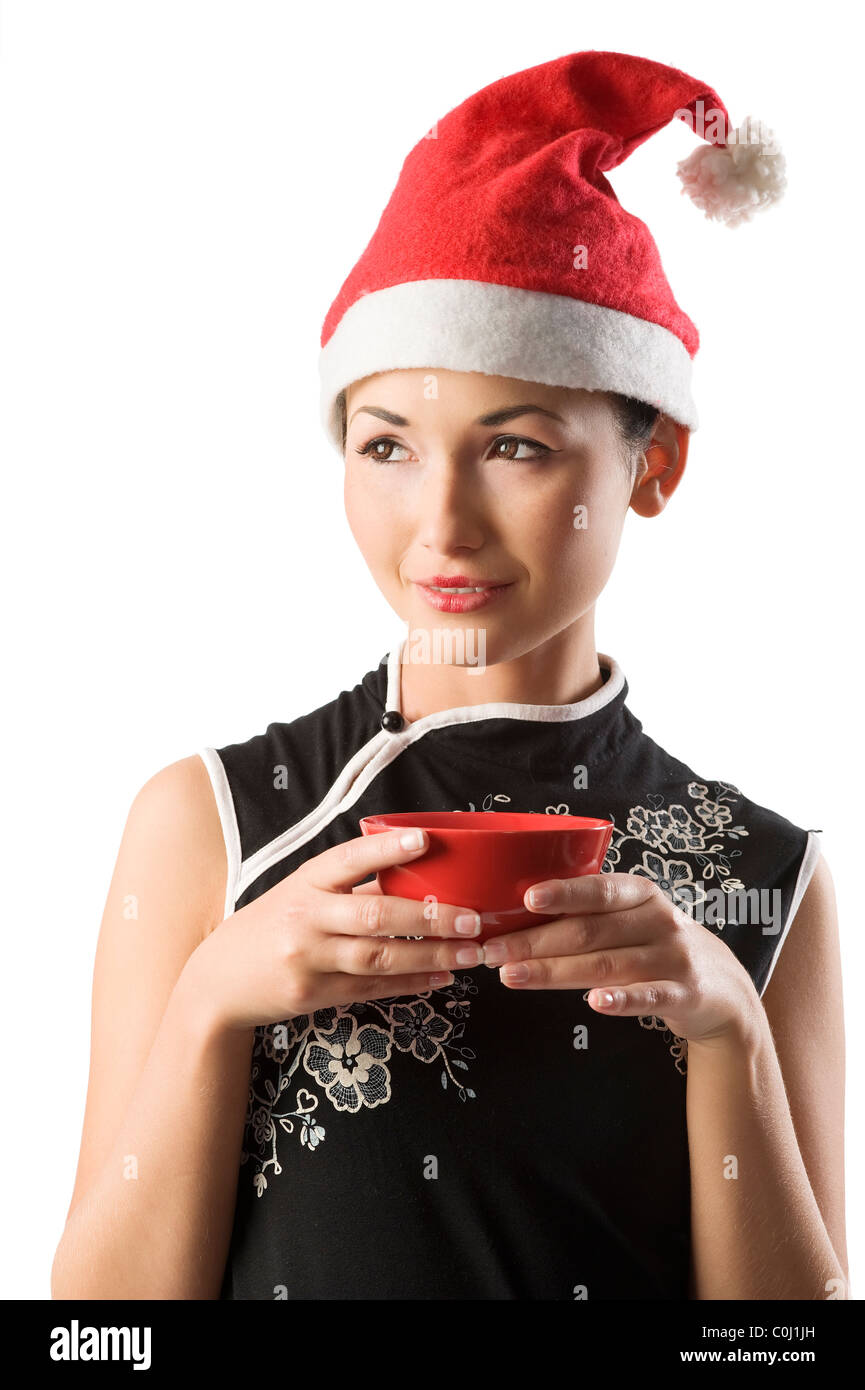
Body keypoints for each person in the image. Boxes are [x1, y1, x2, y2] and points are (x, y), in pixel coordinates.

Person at [51, 49, 847, 1301]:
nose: (441, 524)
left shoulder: (763, 881)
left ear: (656, 464)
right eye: (386, 445)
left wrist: (726, 1030)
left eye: (515, 446)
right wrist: (212, 1001)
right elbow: (102, 1336)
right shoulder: (206, 826)